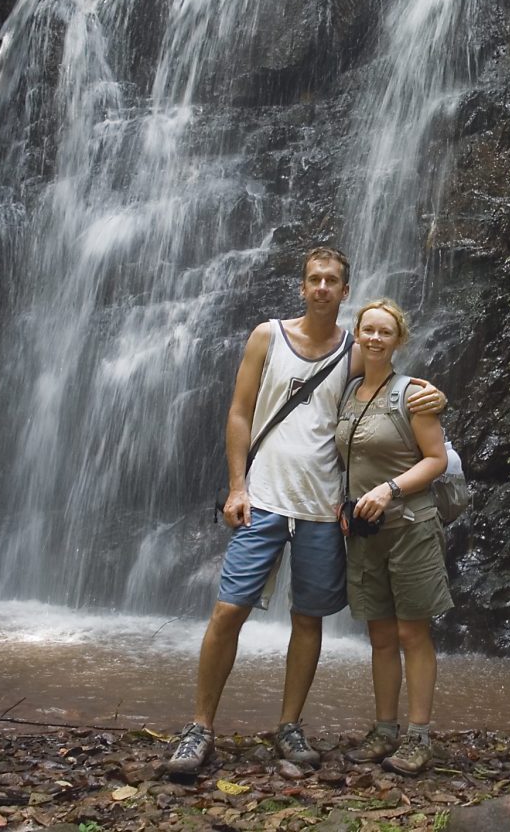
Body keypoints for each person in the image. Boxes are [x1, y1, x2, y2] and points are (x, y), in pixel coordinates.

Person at [163, 248, 444, 777]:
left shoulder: (352, 349)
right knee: (229, 611)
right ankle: (200, 727)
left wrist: (433, 395)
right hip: (264, 498)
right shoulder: (266, 336)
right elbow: (240, 412)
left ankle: (288, 726)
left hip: (319, 509)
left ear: (344, 290)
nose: (321, 287)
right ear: (302, 286)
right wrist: (236, 486)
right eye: (313, 278)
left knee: (307, 619)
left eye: (331, 280)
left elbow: (391, 382)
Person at [336, 299, 452, 776]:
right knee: (380, 635)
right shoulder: (347, 393)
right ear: (357, 335)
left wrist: (388, 490)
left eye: (386, 332)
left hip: (410, 526)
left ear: (398, 340)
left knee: (411, 632)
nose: (376, 339)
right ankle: (385, 731)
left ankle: (418, 736)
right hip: (366, 533)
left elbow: (436, 459)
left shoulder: (415, 395)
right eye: (369, 330)